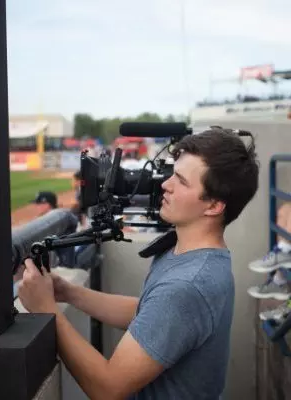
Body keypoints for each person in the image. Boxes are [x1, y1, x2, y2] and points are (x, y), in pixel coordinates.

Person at [18, 127, 259, 399]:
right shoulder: (196, 257)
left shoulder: (187, 286)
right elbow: (148, 313)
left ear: (214, 205)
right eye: (171, 174)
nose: (165, 184)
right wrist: (69, 293)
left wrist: (46, 309)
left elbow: (107, 388)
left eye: (181, 180)